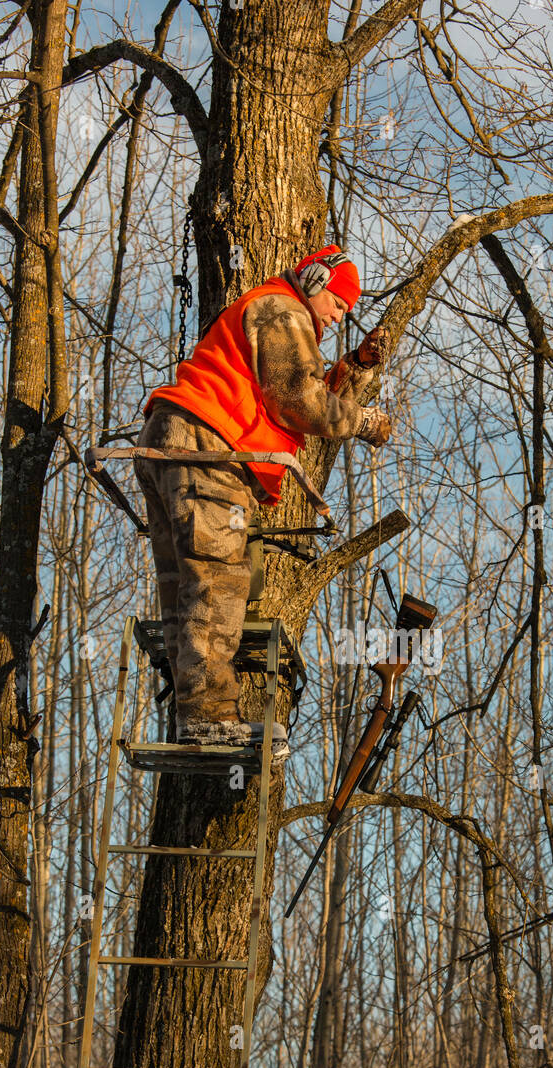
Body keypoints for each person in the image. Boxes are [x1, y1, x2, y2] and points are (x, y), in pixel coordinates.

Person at [134, 244, 391, 747]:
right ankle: (208, 717)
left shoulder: (283, 320)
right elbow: (302, 401)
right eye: (339, 303)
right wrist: (363, 422)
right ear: (315, 281)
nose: (341, 316)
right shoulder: (282, 309)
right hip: (209, 447)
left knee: (185, 587)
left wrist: (356, 366)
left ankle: (194, 715)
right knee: (218, 581)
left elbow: (304, 387)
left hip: (171, 442)